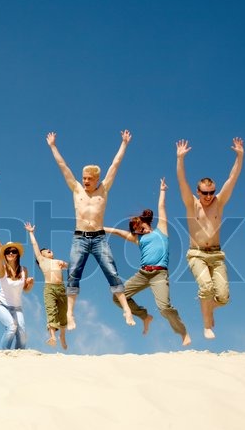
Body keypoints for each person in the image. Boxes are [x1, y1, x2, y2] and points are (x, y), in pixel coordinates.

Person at [46, 130, 135, 329]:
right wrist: (53, 146)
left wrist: (124, 144)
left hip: (99, 239)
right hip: (79, 238)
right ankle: (70, 314)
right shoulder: (76, 189)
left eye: (88, 178)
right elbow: (63, 166)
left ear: (96, 179)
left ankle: (127, 310)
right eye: (84, 178)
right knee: (73, 274)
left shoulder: (104, 189)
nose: (85, 181)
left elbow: (115, 165)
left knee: (112, 272)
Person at [104, 178, 191, 346]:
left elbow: (162, 208)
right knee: (117, 296)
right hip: (143, 273)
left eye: (139, 225)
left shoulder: (162, 230)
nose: (138, 229)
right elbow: (117, 232)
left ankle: (183, 332)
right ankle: (144, 316)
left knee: (164, 307)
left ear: (146, 221)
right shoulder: (139, 239)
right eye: (135, 229)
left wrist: (163, 191)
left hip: (159, 274)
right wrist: (101, 228)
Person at [176, 137, 244, 339]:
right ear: (198, 192)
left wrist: (240, 156)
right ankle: (207, 326)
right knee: (206, 287)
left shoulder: (219, 203)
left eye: (211, 192)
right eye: (205, 193)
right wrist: (180, 159)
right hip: (196, 254)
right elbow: (182, 181)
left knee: (223, 297)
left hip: (216, 254)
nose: (208, 196)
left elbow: (232, 179)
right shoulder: (192, 204)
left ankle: (210, 307)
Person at [24, 222, 69, 349]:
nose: (48, 251)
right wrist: (31, 232)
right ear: (41, 256)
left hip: (61, 289)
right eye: (45, 251)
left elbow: (72, 267)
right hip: (49, 288)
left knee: (63, 313)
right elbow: (35, 246)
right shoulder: (42, 261)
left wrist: (67, 265)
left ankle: (62, 336)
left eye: (49, 250)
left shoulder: (58, 261)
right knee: (51, 311)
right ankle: (53, 336)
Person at [0, 239, 34, 349]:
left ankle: (18, 357)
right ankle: (4, 353)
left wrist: (30, 284)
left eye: (14, 251)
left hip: (17, 308)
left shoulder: (24, 270)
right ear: (5, 255)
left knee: (22, 334)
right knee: (11, 327)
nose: (11, 253)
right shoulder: (3, 269)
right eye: (7, 252)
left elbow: (26, 289)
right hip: (1, 305)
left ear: (17, 254)